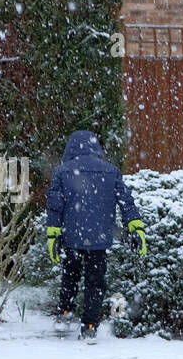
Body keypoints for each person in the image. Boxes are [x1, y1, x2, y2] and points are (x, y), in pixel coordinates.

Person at [45, 130, 146, 343]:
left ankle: (65, 313)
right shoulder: (111, 171)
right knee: (95, 282)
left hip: (72, 236)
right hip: (100, 238)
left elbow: (55, 206)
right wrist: (136, 228)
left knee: (69, 275)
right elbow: (126, 201)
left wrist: (53, 235)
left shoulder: (62, 172)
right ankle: (89, 326)